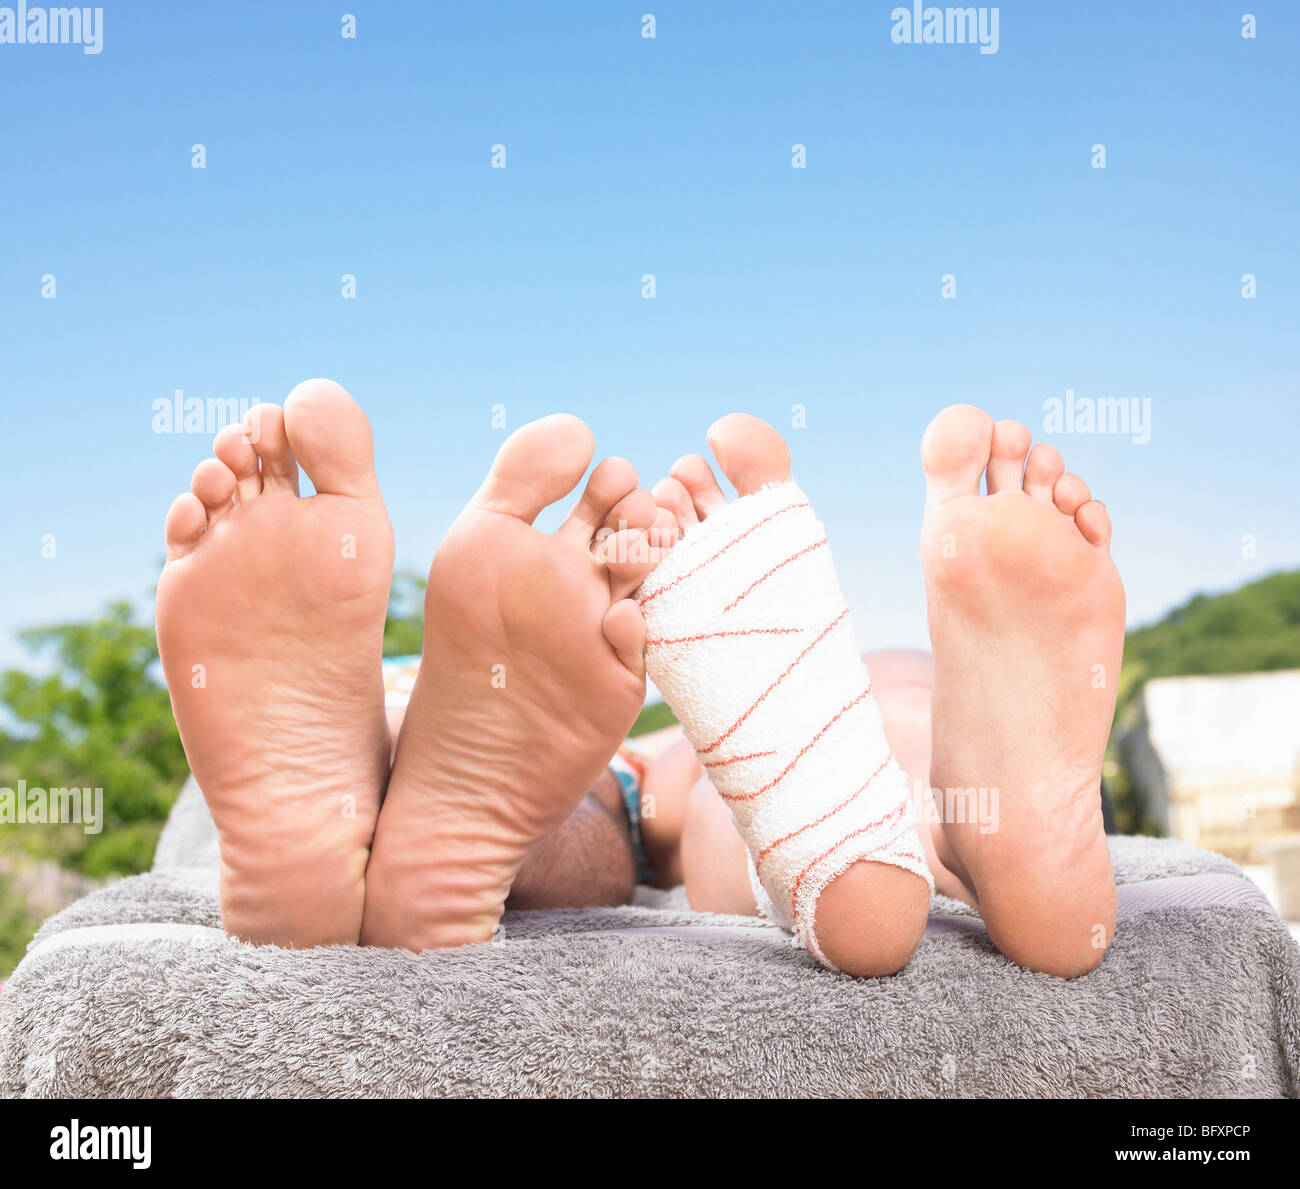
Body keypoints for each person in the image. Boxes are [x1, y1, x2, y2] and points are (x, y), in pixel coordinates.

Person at [156, 379, 1123, 979]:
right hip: (633, 763)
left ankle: (373, 817)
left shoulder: (397, 676)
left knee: (574, 812)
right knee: (824, 725)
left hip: (453, 733)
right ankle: (937, 817)